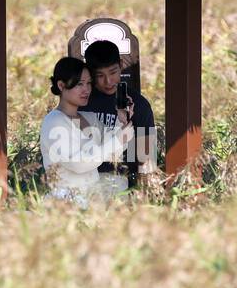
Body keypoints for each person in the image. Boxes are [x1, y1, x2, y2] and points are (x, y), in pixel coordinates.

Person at [40, 56, 134, 207]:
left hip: (92, 201)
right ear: (61, 85)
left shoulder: (90, 118)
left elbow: (114, 150)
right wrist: (117, 140)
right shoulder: (54, 121)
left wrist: (121, 120)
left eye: (89, 83)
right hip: (66, 203)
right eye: (79, 84)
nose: (86, 89)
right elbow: (78, 163)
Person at [81, 39, 156, 194]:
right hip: (82, 178)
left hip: (120, 181)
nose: (108, 81)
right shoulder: (81, 101)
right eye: (100, 75)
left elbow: (146, 156)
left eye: (113, 72)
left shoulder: (138, 104)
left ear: (121, 65)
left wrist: (144, 194)